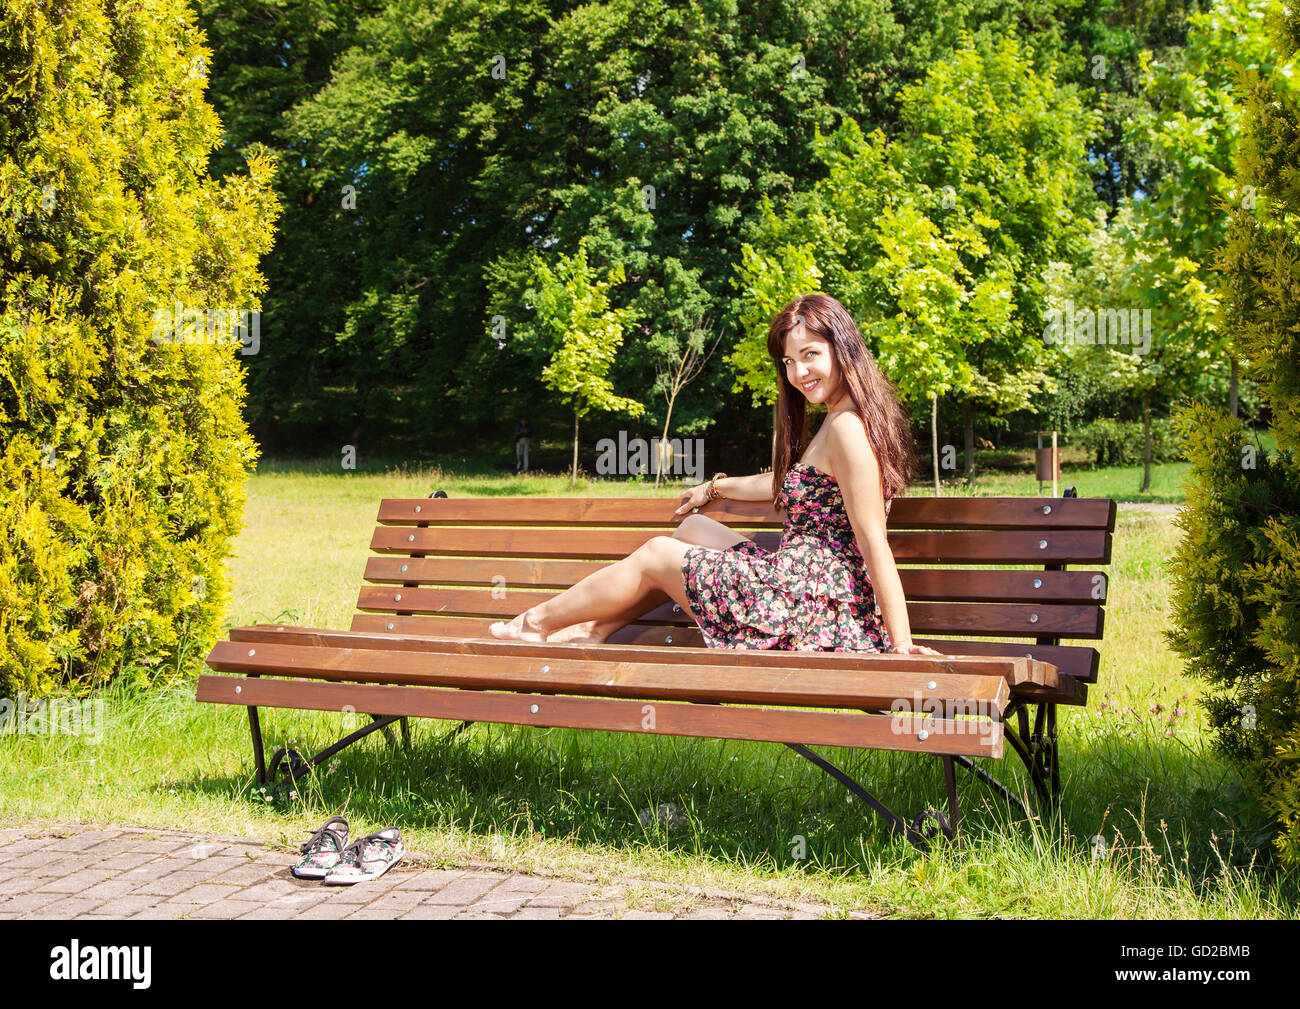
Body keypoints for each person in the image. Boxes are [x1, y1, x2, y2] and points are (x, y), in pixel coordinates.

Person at [489, 293, 942, 656]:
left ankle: (534, 624)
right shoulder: (840, 418)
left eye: (810, 355)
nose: (798, 372)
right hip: (805, 584)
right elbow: (790, 485)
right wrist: (715, 487)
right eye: (788, 362)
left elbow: (872, 540)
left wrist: (899, 642)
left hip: (810, 607)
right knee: (692, 527)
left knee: (656, 553)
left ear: (842, 349)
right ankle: (594, 629)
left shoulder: (847, 428)